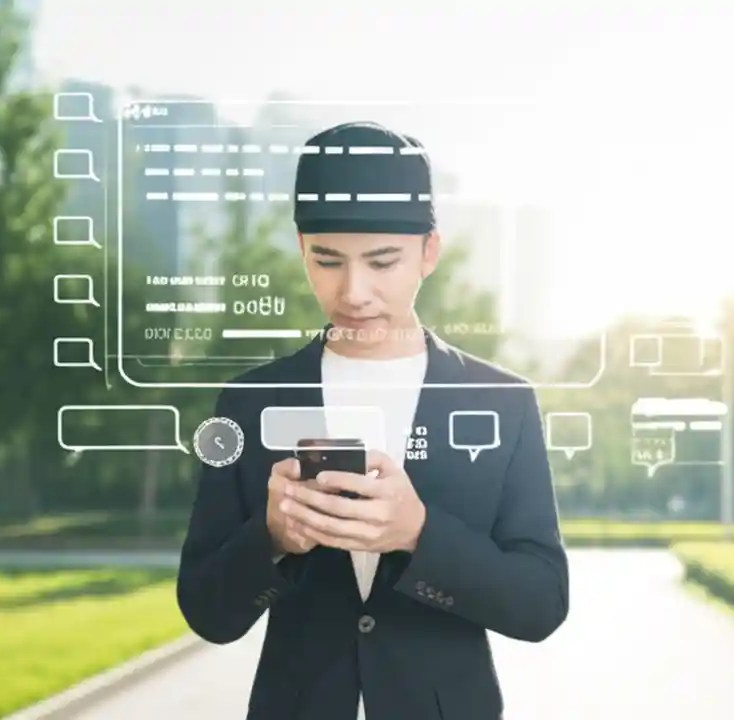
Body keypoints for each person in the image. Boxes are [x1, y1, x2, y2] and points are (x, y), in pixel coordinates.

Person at [176, 120, 570, 720]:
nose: (354, 292)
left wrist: (419, 534)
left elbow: (542, 604)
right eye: (327, 261)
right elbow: (207, 611)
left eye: (382, 262)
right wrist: (273, 539)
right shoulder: (252, 401)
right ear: (302, 249)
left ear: (428, 252)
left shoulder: (502, 401)